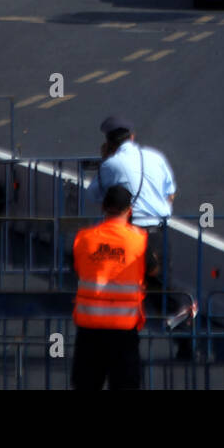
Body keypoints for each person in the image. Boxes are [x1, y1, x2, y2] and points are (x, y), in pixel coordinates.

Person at [84, 116, 176, 310]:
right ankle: (182, 323)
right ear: (132, 137)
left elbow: (93, 195)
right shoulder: (155, 157)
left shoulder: (112, 164)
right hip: (159, 231)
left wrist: (104, 161)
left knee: (126, 288)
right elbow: (171, 193)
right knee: (160, 289)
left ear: (108, 143)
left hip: (130, 233)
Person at [71, 185, 146, 390]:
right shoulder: (139, 240)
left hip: (89, 328)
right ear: (129, 210)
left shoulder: (84, 238)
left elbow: (78, 267)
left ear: (104, 207)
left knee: (85, 385)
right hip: (123, 330)